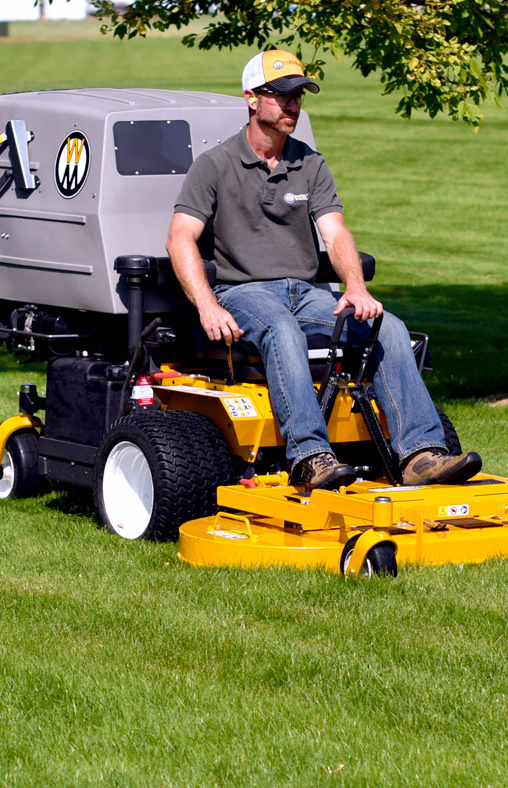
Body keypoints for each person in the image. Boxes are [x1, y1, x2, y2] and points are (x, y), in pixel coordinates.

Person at [166, 49, 481, 490]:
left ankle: (420, 454)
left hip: (307, 291)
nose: (293, 104)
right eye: (282, 95)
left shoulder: (309, 163)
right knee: (281, 329)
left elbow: (335, 234)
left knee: (386, 326)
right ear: (252, 98)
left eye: (299, 95)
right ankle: (310, 457)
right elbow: (180, 238)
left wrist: (355, 288)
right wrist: (206, 306)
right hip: (244, 293)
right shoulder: (215, 166)